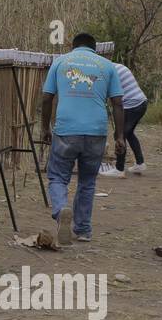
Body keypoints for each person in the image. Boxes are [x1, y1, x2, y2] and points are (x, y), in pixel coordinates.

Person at [39, 33, 124, 243]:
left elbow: (47, 98)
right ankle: (83, 229)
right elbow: (118, 103)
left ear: (73, 46)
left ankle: (61, 212)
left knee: (58, 176)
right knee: (87, 181)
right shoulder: (108, 66)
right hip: (96, 131)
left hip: (66, 128)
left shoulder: (60, 62)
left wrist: (45, 128)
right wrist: (120, 136)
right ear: (94, 48)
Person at [98, 61, 148, 177]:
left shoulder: (109, 72)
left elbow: (108, 95)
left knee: (119, 135)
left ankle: (119, 169)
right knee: (129, 133)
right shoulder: (119, 66)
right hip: (141, 102)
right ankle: (140, 163)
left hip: (132, 105)